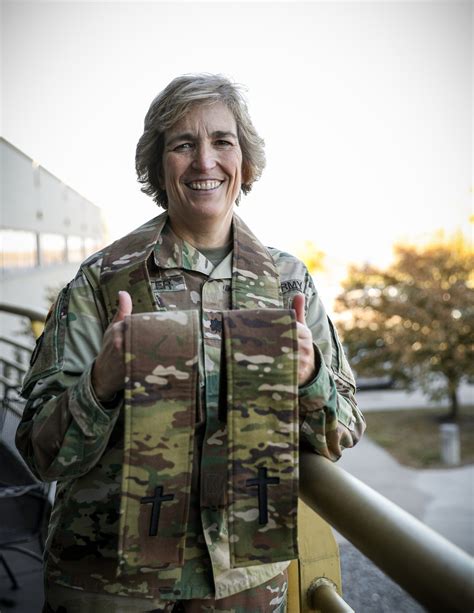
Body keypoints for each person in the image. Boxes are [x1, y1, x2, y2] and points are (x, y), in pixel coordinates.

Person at [16, 74, 365, 613]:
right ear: (159, 166)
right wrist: (101, 382)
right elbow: (40, 451)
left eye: (222, 141)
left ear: (245, 162)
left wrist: (309, 373)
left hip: (243, 586)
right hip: (109, 586)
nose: (205, 162)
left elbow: (343, 430)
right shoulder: (101, 280)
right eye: (183, 144)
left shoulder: (288, 282)